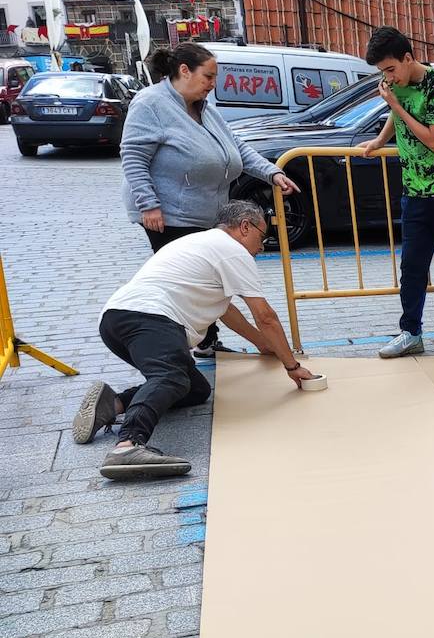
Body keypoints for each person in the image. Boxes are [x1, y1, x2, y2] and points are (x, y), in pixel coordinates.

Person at [71, 201, 314, 480]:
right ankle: (127, 445)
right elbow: (265, 315)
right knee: (171, 377)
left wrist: (262, 345)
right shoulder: (233, 251)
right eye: (262, 236)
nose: (261, 247)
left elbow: (227, 311)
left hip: (117, 321)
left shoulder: (203, 243)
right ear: (245, 226)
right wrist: (291, 366)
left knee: (195, 389)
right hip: (150, 317)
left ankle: (113, 404)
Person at [120, 43, 300, 359]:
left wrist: (272, 173)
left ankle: (205, 340)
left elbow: (238, 148)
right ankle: (186, 343)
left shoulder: (205, 107)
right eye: (208, 76)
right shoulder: (150, 103)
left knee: (209, 281)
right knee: (197, 282)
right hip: (169, 212)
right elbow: (133, 156)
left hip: (207, 210)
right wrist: (148, 203)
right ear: (184, 71)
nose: (212, 84)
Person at [360, 27, 434, 359]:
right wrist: (380, 141)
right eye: (382, 72)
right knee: (411, 266)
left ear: (408, 58)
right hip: (414, 192)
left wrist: (395, 104)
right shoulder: (397, 85)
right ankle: (410, 331)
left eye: (391, 69)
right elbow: (396, 115)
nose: (388, 78)